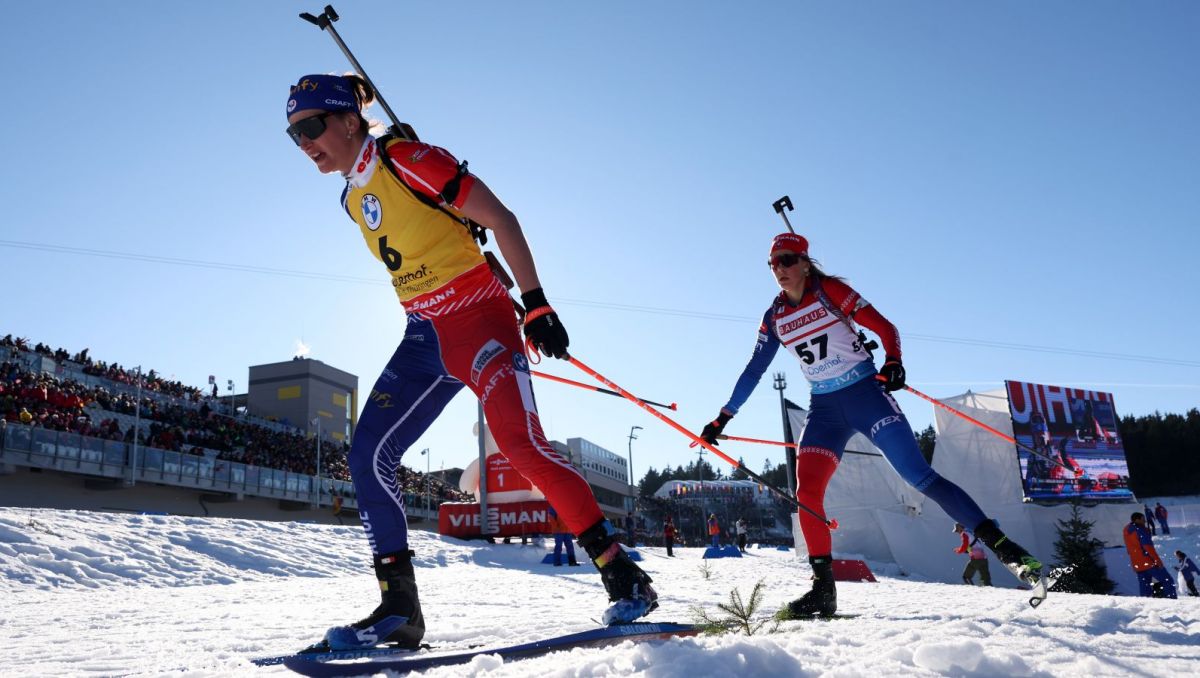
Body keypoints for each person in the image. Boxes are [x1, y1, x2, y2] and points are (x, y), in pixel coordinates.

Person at [284, 73, 657, 649]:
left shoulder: (407, 157)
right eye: (293, 135)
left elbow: (501, 219)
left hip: (481, 322)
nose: (304, 143)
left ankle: (621, 573)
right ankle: (399, 608)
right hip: (422, 336)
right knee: (367, 456)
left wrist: (536, 305)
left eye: (310, 127)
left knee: (520, 445)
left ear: (349, 120)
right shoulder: (350, 196)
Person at [699, 233, 1044, 619]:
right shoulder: (775, 317)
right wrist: (724, 415)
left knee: (919, 477)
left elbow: (886, 328)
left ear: (805, 262)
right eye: (772, 263)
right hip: (825, 410)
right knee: (807, 492)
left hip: (867, 396)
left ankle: (1008, 550)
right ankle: (822, 590)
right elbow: (754, 370)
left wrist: (893, 362)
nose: (779, 269)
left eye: (787, 260)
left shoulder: (830, 291)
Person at [1123, 512, 1176, 598]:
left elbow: (1130, 549)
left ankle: (1146, 604)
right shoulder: (1140, 530)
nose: (1144, 521)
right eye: (1143, 519)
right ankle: (1172, 600)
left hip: (1137, 564)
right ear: (1137, 520)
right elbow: (1148, 548)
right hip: (1148, 562)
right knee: (1168, 581)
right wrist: (1158, 561)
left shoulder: (1127, 530)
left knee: (1145, 587)